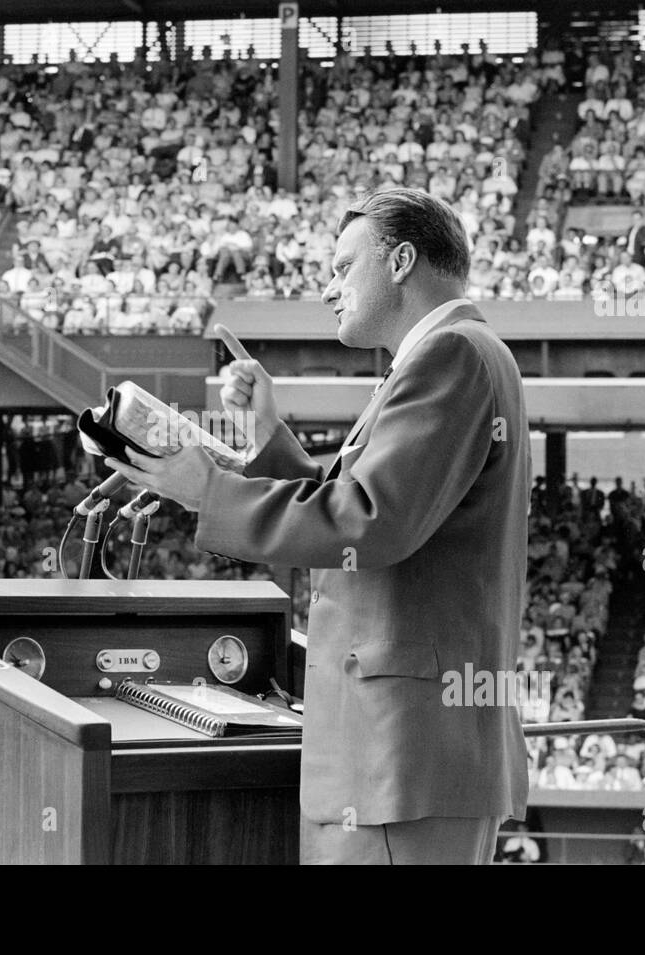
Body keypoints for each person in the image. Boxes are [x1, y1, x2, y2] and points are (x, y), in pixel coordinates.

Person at [107, 188, 529, 864]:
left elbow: (366, 522)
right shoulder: (450, 354)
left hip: (402, 757)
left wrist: (208, 490)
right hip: (397, 757)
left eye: (342, 266)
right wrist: (268, 435)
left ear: (400, 260)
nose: (330, 289)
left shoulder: (451, 354)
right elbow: (355, 500)